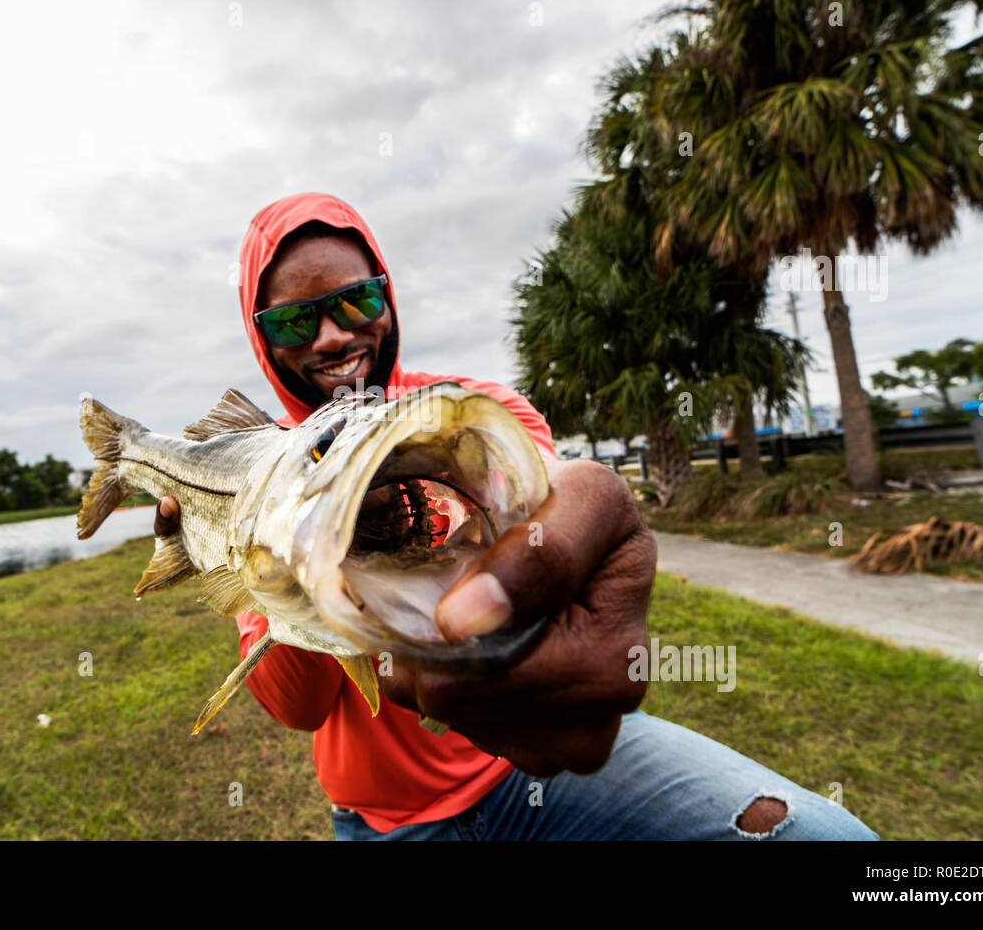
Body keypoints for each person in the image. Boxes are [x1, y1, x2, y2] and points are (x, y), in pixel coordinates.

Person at [154, 192, 879, 841]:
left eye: (356, 302)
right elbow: (298, 708)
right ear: (262, 339)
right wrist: (254, 553)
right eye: (292, 320)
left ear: (388, 300)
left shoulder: (472, 409)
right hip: (388, 825)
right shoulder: (252, 478)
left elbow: (543, 499)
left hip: (537, 777)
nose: (333, 337)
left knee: (821, 837)